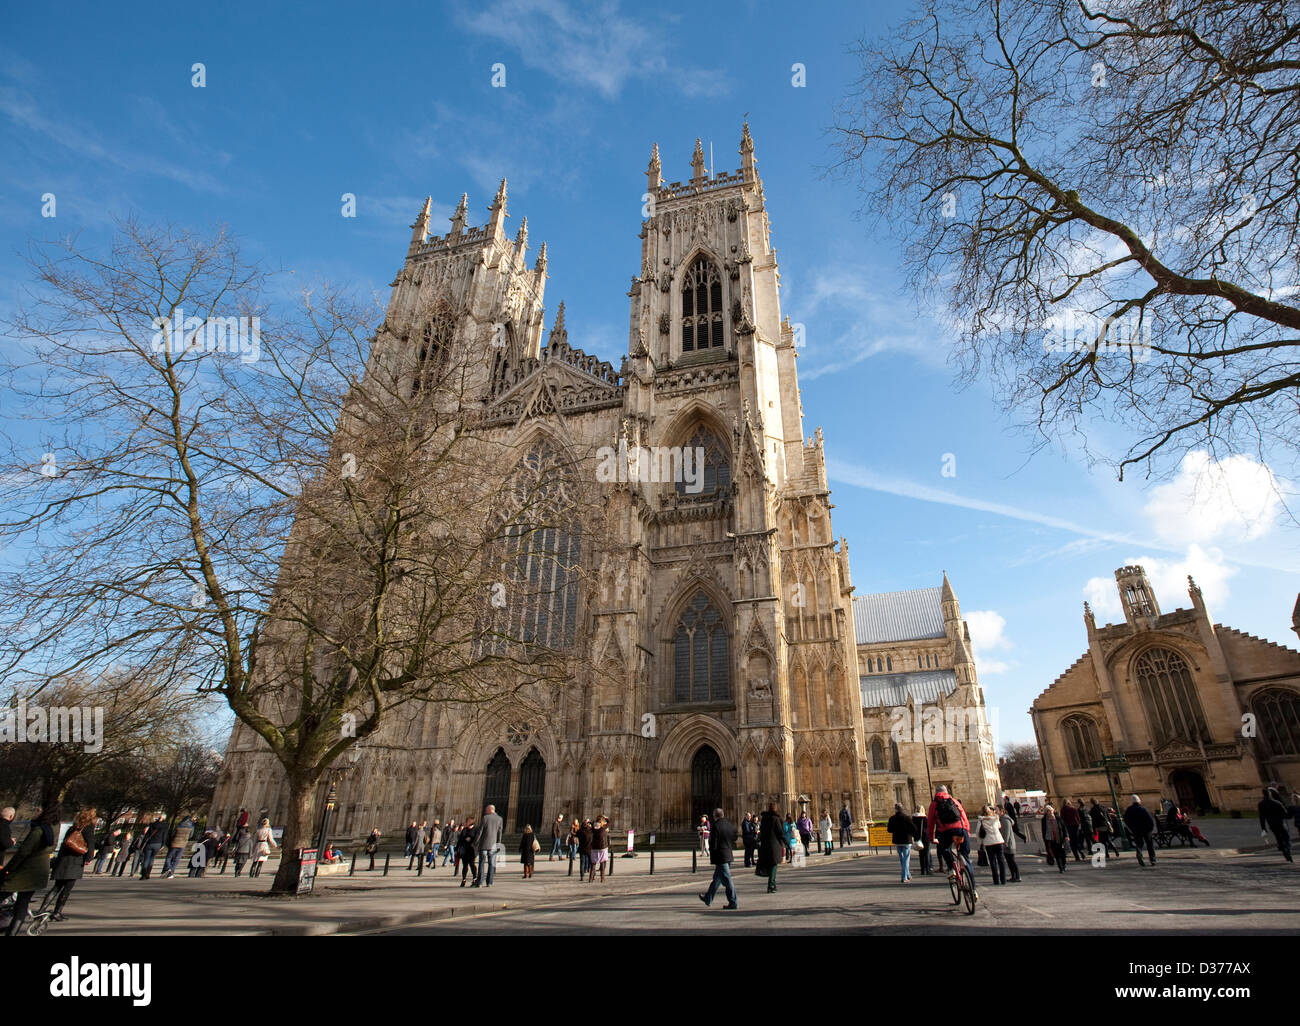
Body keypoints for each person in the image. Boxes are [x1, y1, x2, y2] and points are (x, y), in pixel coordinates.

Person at [2, 803, 60, 935]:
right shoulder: (53, 828)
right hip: (39, 872)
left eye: (38, 811)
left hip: (25, 870)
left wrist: (8, 868)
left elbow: (24, 851)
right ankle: (12, 933)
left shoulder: (38, 830)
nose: (35, 813)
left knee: (5, 892)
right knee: (22, 904)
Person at [48, 807, 96, 922]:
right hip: (75, 861)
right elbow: (90, 844)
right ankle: (57, 911)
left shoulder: (73, 827)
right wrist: (89, 858)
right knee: (67, 889)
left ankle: (42, 909)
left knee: (56, 887)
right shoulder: (88, 828)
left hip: (64, 860)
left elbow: (64, 844)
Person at [925, 785, 975, 896]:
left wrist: (932, 837)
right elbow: (964, 817)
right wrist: (967, 831)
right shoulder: (954, 801)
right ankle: (974, 890)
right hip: (962, 830)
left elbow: (931, 823)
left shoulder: (934, 804)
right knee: (966, 859)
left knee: (945, 849)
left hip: (946, 831)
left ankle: (952, 868)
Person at [698, 807, 738, 908]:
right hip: (728, 853)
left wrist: (713, 851)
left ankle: (733, 902)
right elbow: (735, 837)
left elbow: (713, 842)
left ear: (715, 816)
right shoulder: (729, 824)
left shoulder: (715, 825)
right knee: (717, 878)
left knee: (727, 879)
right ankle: (708, 898)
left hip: (720, 856)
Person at [756, 802, 788, 893]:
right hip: (774, 846)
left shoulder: (764, 819)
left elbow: (761, 832)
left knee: (770, 865)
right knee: (774, 866)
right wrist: (787, 843)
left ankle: (773, 884)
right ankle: (771, 885)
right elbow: (780, 833)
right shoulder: (775, 819)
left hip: (765, 846)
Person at [472, 804, 504, 887]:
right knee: (491, 864)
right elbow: (499, 833)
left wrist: (475, 842)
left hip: (484, 844)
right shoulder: (499, 819)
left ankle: (480, 882)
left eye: (486, 810)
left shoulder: (485, 818)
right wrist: (498, 844)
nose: (485, 811)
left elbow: (480, 831)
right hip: (493, 845)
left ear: (490, 810)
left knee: (481, 863)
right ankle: (489, 882)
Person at [1259, 786, 1293, 862]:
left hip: (1271, 824)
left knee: (1278, 837)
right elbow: (1286, 814)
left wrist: (1263, 828)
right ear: (1270, 793)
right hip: (1280, 823)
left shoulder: (1261, 804)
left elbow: (1262, 817)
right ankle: (1287, 850)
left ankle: (1283, 850)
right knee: (1286, 837)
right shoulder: (1277, 803)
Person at [976, 804, 1007, 886]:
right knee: (1001, 861)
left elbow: (978, 832)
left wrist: (980, 843)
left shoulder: (981, 820)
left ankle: (996, 880)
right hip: (999, 841)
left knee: (993, 862)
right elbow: (999, 826)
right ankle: (1003, 879)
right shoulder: (996, 818)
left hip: (989, 843)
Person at [1123, 795, 1158, 867]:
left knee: (1139, 844)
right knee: (1150, 844)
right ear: (1139, 801)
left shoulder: (1129, 809)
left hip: (1136, 830)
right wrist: (1150, 829)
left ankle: (1139, 853)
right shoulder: (1143, 809)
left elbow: (1126, 820)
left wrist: (1131, 828)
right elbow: (1150, 820)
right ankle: (1153, 860)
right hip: (1146, 830)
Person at [886, 803, 916, 882]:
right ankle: (904, 877)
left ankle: (908, 875)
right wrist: (910, 833)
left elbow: (889, 830)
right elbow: (914, 828)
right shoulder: (907, 818)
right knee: (906, 859)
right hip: (906, 841)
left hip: (897, 841)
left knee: (902, 859)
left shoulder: (892, 818)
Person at [162, 813, 194, 878]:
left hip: (175, 843)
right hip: (183, 844)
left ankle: (168, 868)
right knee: (177, 858)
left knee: (169, 857)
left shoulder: (179, 825)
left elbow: (173, 834)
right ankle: (171, 871)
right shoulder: (191, 826)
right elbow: (191, 836)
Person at [139, 813, 167, 879]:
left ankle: (143, 874)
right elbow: (164, 836)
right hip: (158, 843)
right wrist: (163, 844)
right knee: (151, 859)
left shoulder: (152, 824)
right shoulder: (165, 826)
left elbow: (147, 835)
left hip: (150, 843)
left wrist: (143, 844)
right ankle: (148, 874)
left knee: (146, 859)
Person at [1041, 804, 1068, 873]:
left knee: (1062, 853)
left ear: (1053, 811)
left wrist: (1066, 836)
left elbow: (1064, 828)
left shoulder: (1058, 818)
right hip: (1051, 839)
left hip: (1060, 838)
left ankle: (1064, 864)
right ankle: (1060, 868)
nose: (1050, 812)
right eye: (1048, 811)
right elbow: (1043, 830)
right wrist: (1045, 840)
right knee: (1056, 854)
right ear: (1046, 812)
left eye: (1050, 811)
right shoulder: (1044, 820)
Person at [997, 804, 1020, 882]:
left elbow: (1006, 834)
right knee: (1009, 861)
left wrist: (1005, 844)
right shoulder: (1001, 819)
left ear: (1001, 811)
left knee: (1012, 861)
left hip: (1009, 844)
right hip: (1006, 844)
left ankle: (1018, 876)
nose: (996, 812)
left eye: (997, 810)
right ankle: (1013, 876)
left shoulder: (1005, 820)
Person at [588, 815, 610, 883]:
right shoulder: (603, 828)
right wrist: (605, 817)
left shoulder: (593, 829)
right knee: (602, 863)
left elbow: (591, 824)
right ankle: (602, 878)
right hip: (602, 848)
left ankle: (591, 879)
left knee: (593, 864)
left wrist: (591, 822)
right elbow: (609, 822)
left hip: (594, 848)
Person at [457, 818, 478, 886]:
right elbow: (460, 839)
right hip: (464, 850)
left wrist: (471, 839)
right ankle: (464, 879)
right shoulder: (464, 829)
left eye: (467, 822)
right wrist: (456, 849)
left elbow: (477, 839)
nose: (466, 823)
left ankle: (474, 878)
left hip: (472, 850)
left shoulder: (476, 830)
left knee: (472, 865)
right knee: (465, 865)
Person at [911, 808, 932, 875]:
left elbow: (913, 828)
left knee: (921, 854)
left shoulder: (914, 819)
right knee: (927, 854)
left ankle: (922, 870)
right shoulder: (925, 818)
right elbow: (929, 827)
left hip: (918, 838)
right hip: (926, 837)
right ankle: (928, 869)